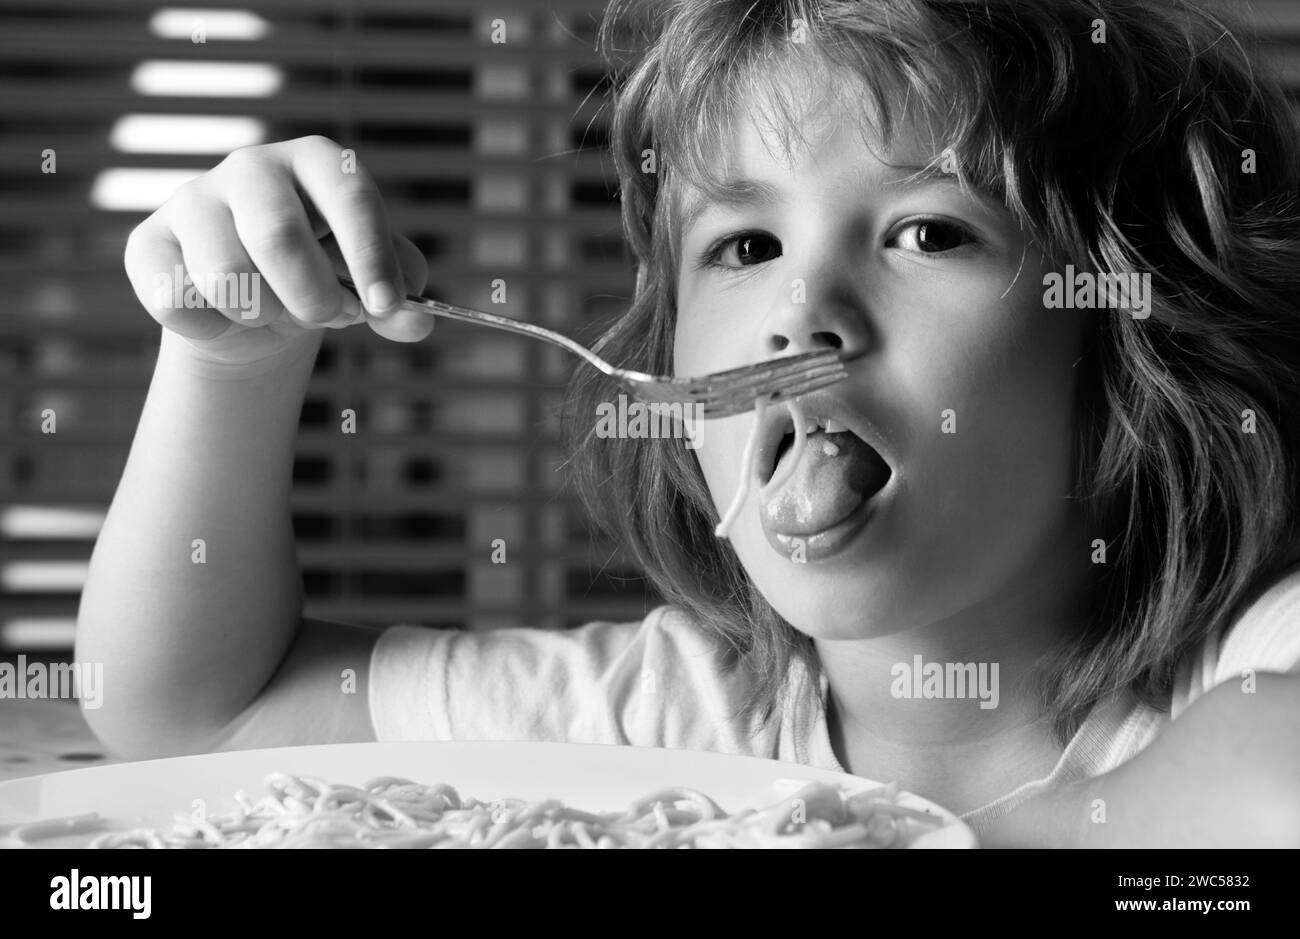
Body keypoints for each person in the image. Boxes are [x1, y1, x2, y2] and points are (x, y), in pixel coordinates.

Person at [77, 0, 1300, 846]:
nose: (798, 310)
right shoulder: (665, 723)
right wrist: (228, 365)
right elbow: (197, 713)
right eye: (744, 245)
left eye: (928, 232)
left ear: (1131, 342)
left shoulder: (1239, 662)